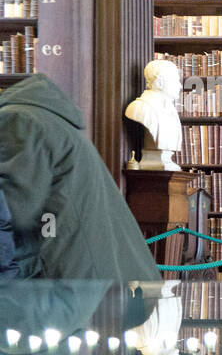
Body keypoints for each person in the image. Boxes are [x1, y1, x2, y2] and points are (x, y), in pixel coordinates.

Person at [0, 73, 159, 280]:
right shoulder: (43, 118)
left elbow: (14, 212)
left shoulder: (18, 121)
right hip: (101, 278)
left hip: (79, 285)